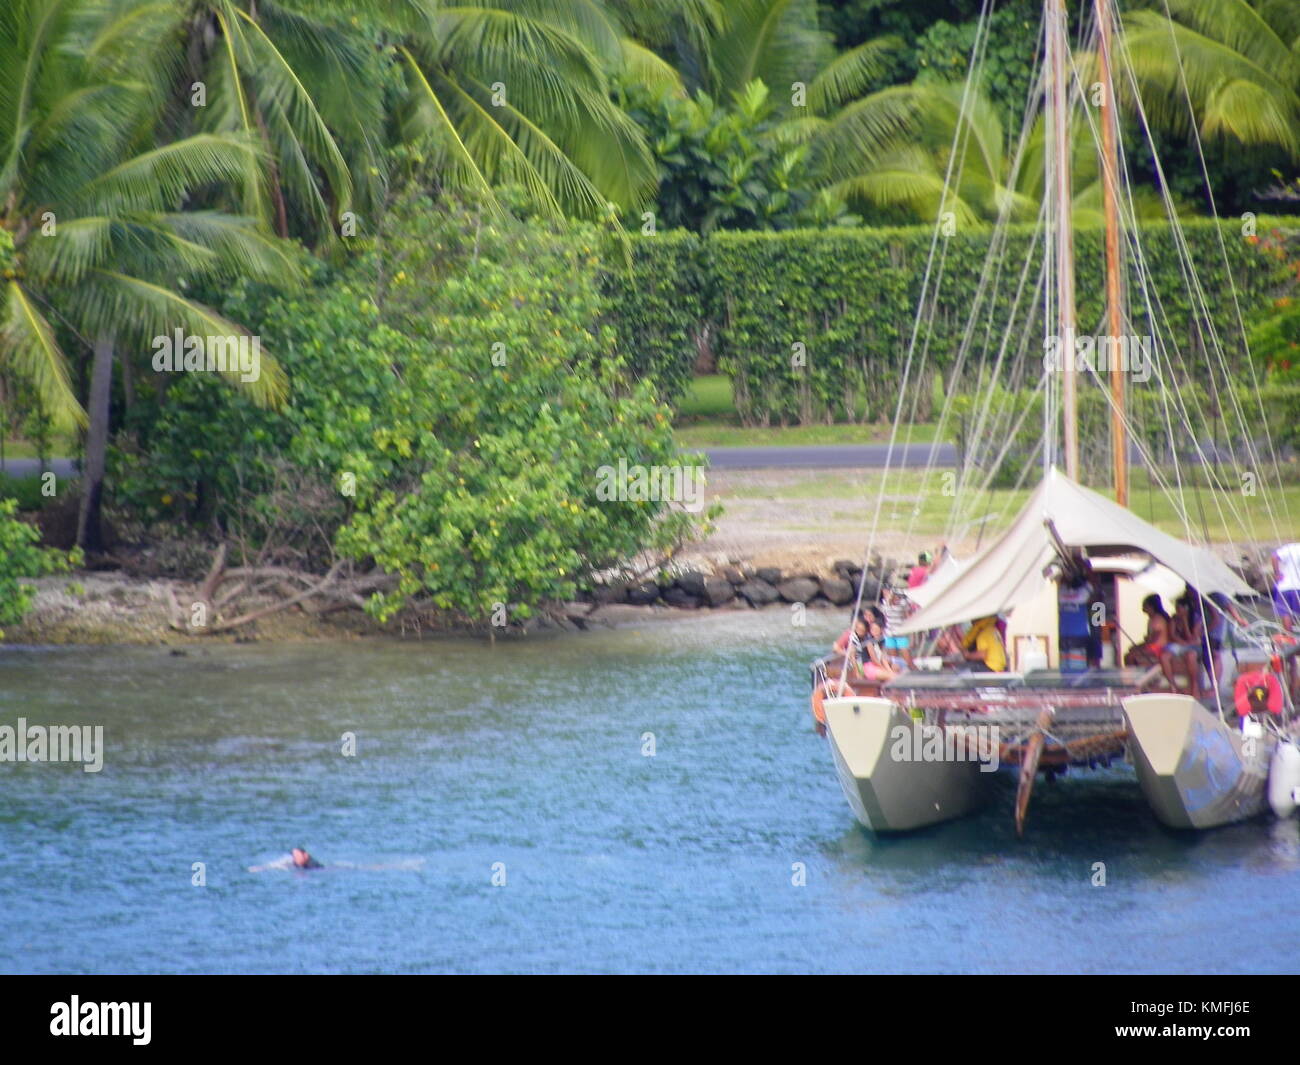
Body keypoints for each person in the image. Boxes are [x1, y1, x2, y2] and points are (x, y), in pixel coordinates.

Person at [1160, 594, 1204, 699]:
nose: (1177, 610)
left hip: (1193, 645)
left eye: (1179, 608)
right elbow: (1173, 635)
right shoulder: (1174, 618)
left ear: (1186, 608)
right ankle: (1173, 686)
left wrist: (1184, 621)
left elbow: (1191, 637)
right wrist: (1181, 642)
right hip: (1179, 645)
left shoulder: (1196, 619)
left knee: (1191, 656)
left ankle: (1194, 686)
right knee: (1164, 656)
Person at [1057, 562, 1093, 673]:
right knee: (1064, 666)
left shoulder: (1087, 589)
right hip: (1063, 634)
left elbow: (1085, 598)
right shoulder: (1060, 589)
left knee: (1077, 667)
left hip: (1079, 635)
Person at [1124, 594, 1170, 667]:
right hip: (1152, 646)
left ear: (1151, 607)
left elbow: (1153, 640)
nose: (1143, 608)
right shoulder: (1151, 619)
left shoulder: (1158, 619)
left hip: (1158, 648)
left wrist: (1142, 645)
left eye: (1145, 606)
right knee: (1131, 649)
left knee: (1129, 657)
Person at [1272, 544, 1300, 633]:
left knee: (1286, 613)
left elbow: (1274, 556)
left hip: (1284, 586)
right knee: (1294, 615)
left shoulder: (1292, 547)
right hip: (1297, 587)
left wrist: (1277, 573)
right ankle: (1290, 637)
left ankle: (1289, 637)